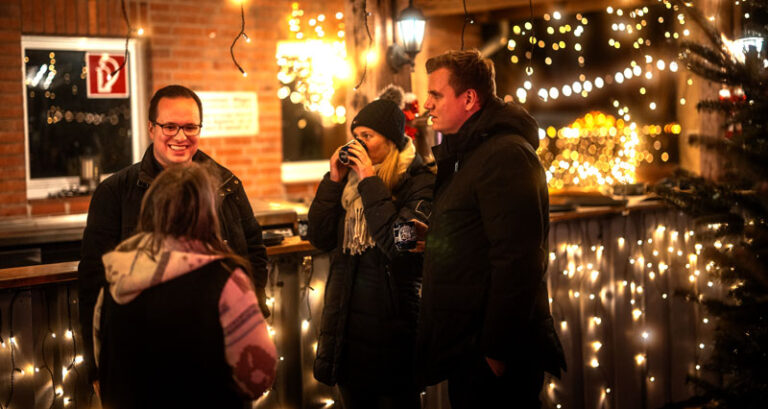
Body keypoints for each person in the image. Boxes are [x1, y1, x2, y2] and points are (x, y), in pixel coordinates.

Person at [78, 85, 270, 386]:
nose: (180, 136)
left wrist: (247, 322)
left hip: (217, 360)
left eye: (190, 127)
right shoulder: (114, 192)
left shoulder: (227, 185)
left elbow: (254, 253)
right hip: (140, 364)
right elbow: (94, 280)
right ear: (151, 128)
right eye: (170, 126)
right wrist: (98, 368)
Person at [416, 49, 567, 408]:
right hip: (468, 343)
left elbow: (518, 259)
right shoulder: (472, 152)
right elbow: (480, 232)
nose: (427, 104)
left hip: (492, 352)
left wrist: (496, 351)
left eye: (436, 94)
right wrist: (437, 236)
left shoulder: (505, 155)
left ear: (469, 98)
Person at [94, 163, 276, 408]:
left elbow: (103, 358)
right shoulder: (225, 279)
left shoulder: (118, 272)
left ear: (150, 209)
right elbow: (259, 374)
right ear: (208, 213)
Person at [308, 98, 435, 409]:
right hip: (347, 331)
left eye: (368, 136)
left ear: (391, 140)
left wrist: (369, 180)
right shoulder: (348, 185)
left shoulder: (419, 182)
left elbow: (400, 245)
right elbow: (320, 238)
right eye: (356, 136)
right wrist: (334, 181)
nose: (358, 144)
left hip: (393, 333)